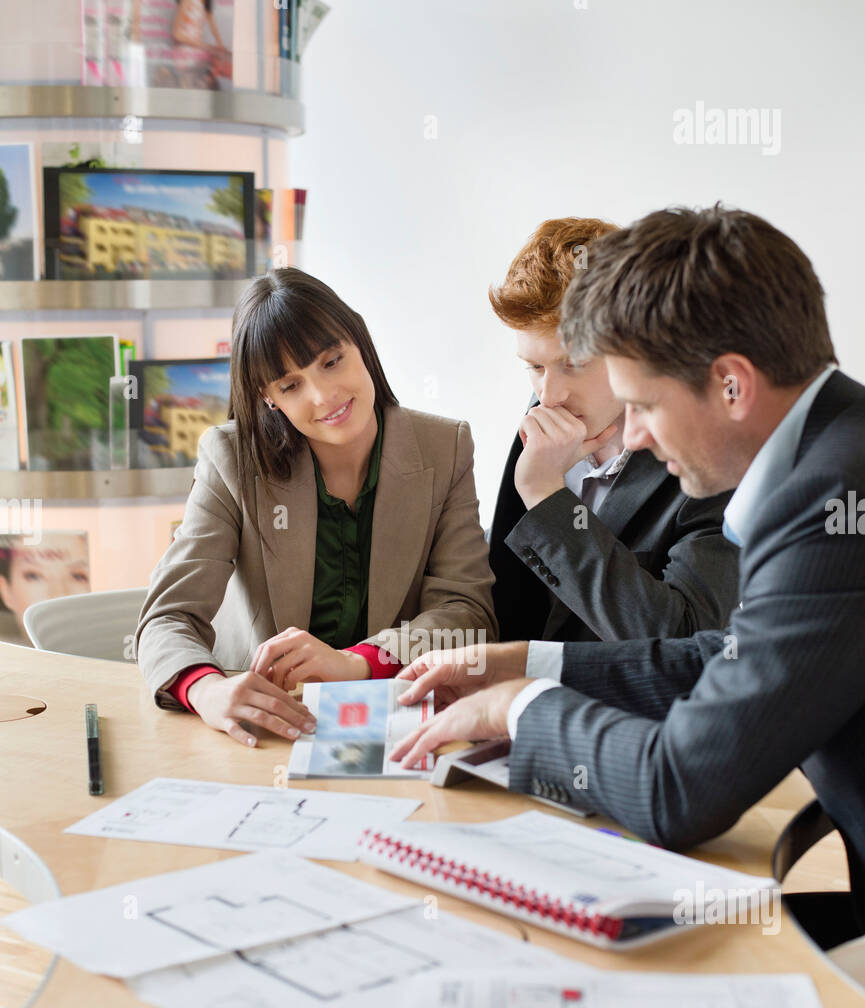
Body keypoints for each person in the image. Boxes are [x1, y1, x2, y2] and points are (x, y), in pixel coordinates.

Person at [392, 206, 865, 928]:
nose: (632, 433)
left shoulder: (830, 501)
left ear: (731, 384)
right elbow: (728, 655)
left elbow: (678, 789)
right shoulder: (832, 453)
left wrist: (519, 707)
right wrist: (531, 665)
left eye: (642, 404)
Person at [135, 268, 496, 747]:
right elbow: (166, 618)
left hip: (392, 721)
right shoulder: (231, 458)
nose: (323, 397)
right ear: (267, 397)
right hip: (263, 729)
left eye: (331, 361)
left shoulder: (444, 447)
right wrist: (206, 689)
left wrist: (359, 662)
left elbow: (467, 612)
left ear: (359, 343)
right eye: (290, 385)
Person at [487, 217, 738, 643]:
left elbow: (683, 637)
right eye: (534, 367)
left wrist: (547, 499)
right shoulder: (547, 409)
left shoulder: (712, 456)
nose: (549, 395)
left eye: (574, 363)